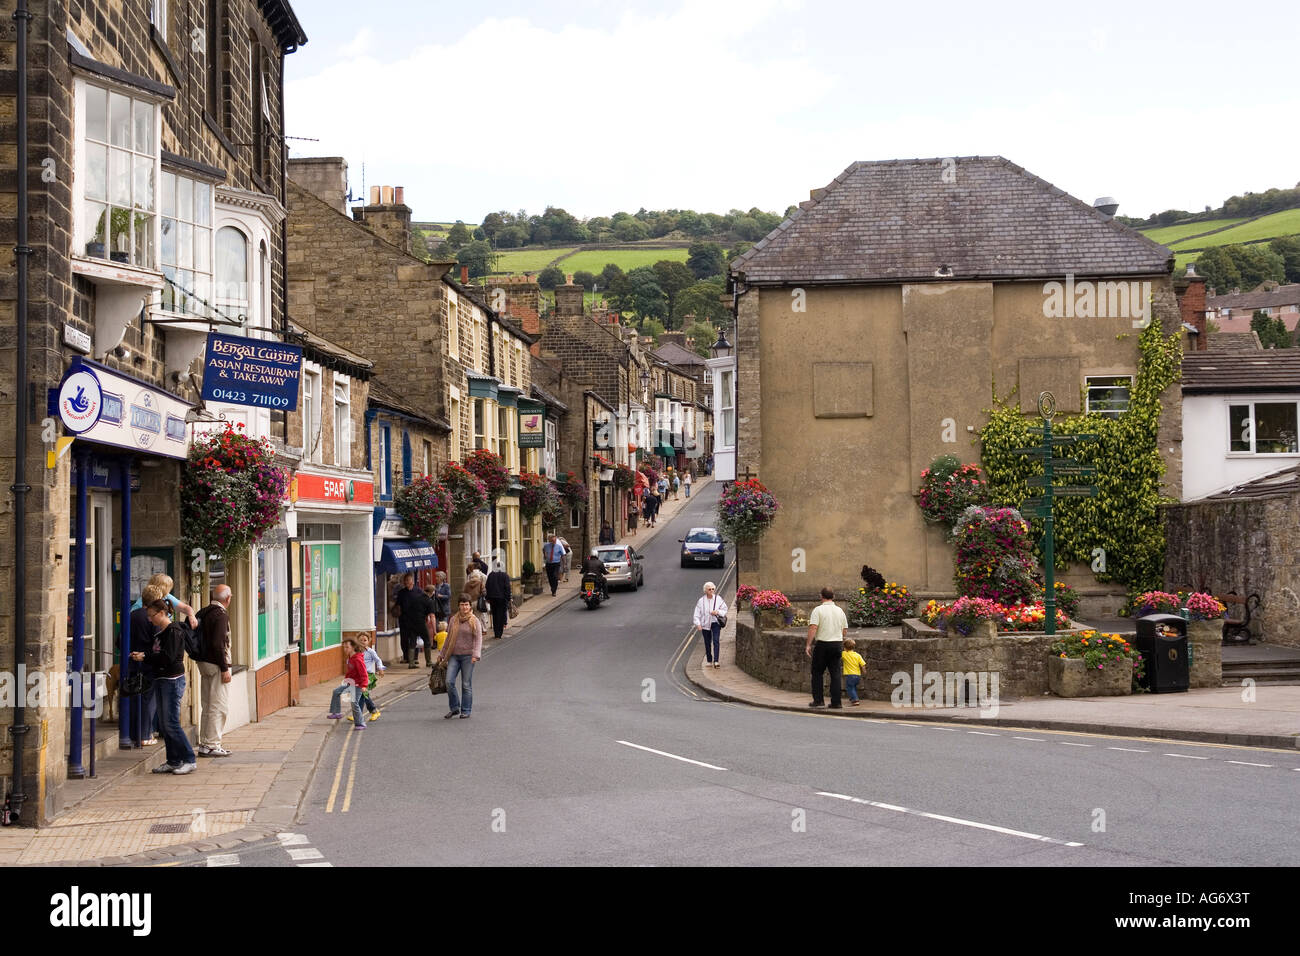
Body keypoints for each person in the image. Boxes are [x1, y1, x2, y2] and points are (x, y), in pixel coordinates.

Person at [132, 599, 199, 774]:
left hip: (172, 681)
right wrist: (144, 655)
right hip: (162, 680)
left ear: (162, 613)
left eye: (151, 616)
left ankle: (189, 759)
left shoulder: (174, 631)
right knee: (164, 722)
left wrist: (145, 657)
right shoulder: (162, 633)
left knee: (171, 723)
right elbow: (159, 655)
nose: (149, 619)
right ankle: (173, 760)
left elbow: (168, 657)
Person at [195, 585, 233, 757]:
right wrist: (225, 668)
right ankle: (212, 744)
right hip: (216, 664)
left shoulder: (202, 612)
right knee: (219, 705)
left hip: (203, 663)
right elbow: (218, 644)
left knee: (207, 704)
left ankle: (204, 743)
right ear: (228, 598)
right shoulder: (221, 615)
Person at [437, 596, 483, 719]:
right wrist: (442, 654)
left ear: (470, 606)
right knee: (449, 682)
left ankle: (466, 710)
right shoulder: (453, 620)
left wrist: (476, 655)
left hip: (468, 656)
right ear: (459, 606)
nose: (464, 607)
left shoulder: (474, 621)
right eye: (462, 604)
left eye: (467, 605)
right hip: (454, 655)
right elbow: (448, 638)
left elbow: (478, 639)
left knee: (466, 684)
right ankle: (454, 708)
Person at [806, 586, 849, 709]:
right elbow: (844, 630)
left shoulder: (818, 610)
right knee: (835, 673)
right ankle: (836, 702)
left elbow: (813, 627)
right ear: (833, 597)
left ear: (821, 596)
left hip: (823, 644)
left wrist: (808, 644)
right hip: (837, 644)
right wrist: (837, 636)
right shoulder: (840, 611)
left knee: (817, 673)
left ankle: (818, 700)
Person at [395, 572, 436, 668]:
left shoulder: (416, 597)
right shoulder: (429, 601)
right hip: (419, 622)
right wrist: (434, 630)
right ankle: (429, 661)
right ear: (431, 593)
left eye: (408, 580)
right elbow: (432, 616)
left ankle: (411, 662)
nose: (406, 582)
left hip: (411, 622)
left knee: (412, 641)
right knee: (426, 640)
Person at [326, 637, 368, 728]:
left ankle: (360, 723)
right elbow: (350, 672)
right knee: (336, 691)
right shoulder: (351, 657)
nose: (345, 649)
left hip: (358, 685)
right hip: (350, 683)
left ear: (353, 647)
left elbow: (364, 673)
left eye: (347, 647)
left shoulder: (357, 659)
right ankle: (337, 712)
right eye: (344, 647)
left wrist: (364, 685)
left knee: (354, 703)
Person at [693, 582, 728, 668]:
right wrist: (698, 624)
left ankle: (716, 661)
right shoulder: (701, 601)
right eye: (709, 589)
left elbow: (725, 609)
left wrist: (717, 612)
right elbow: (696, 614)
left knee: (716, 641)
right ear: (705, 590)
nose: (711, 591)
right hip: (705, 624)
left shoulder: (718, 598)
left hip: (715, 623)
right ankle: (709, 660)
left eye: (713, 589)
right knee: (707, 642)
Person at [354, 633, 385, 721]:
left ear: (369, 641)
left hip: (369, 676)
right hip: (359, 676)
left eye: (365, 640)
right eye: (361, 640)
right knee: (363, 694)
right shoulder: (356, 652)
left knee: (362, 694)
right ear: (357, 641)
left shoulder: (370, 651)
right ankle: (374, 711)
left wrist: (380, 669)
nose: (363, 642)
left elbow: (378, 660)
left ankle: (358, 714)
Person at [485, 560, 512, 640]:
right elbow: (507, 587)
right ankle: (499, 634)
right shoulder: (505, 575)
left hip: (493, 598)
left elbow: (487, 587)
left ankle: (496, 633)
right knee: (501, 615)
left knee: (495, 615)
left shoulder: (490, 575)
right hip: (502, 598)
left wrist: (488, 598)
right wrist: (508, 598)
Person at [464, 562, 488, 631]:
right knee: (478, 618)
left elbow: (464, 593)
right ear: (477, 576)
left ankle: (472, 629)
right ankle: (478, 630)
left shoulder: (467, 584)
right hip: (478, 602)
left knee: (470, 617)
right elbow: (484, 592)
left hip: (469, 603)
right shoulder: (480, 583)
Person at [842, 638, 867, 706]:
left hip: (850, 675)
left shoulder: (844, 654)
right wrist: (864, 671)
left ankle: (855, 699)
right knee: (853, 687)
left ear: (845, 648)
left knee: (849, 687)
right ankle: (852, 697)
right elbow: (863, 665)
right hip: (857, 675)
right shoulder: (858, 655)